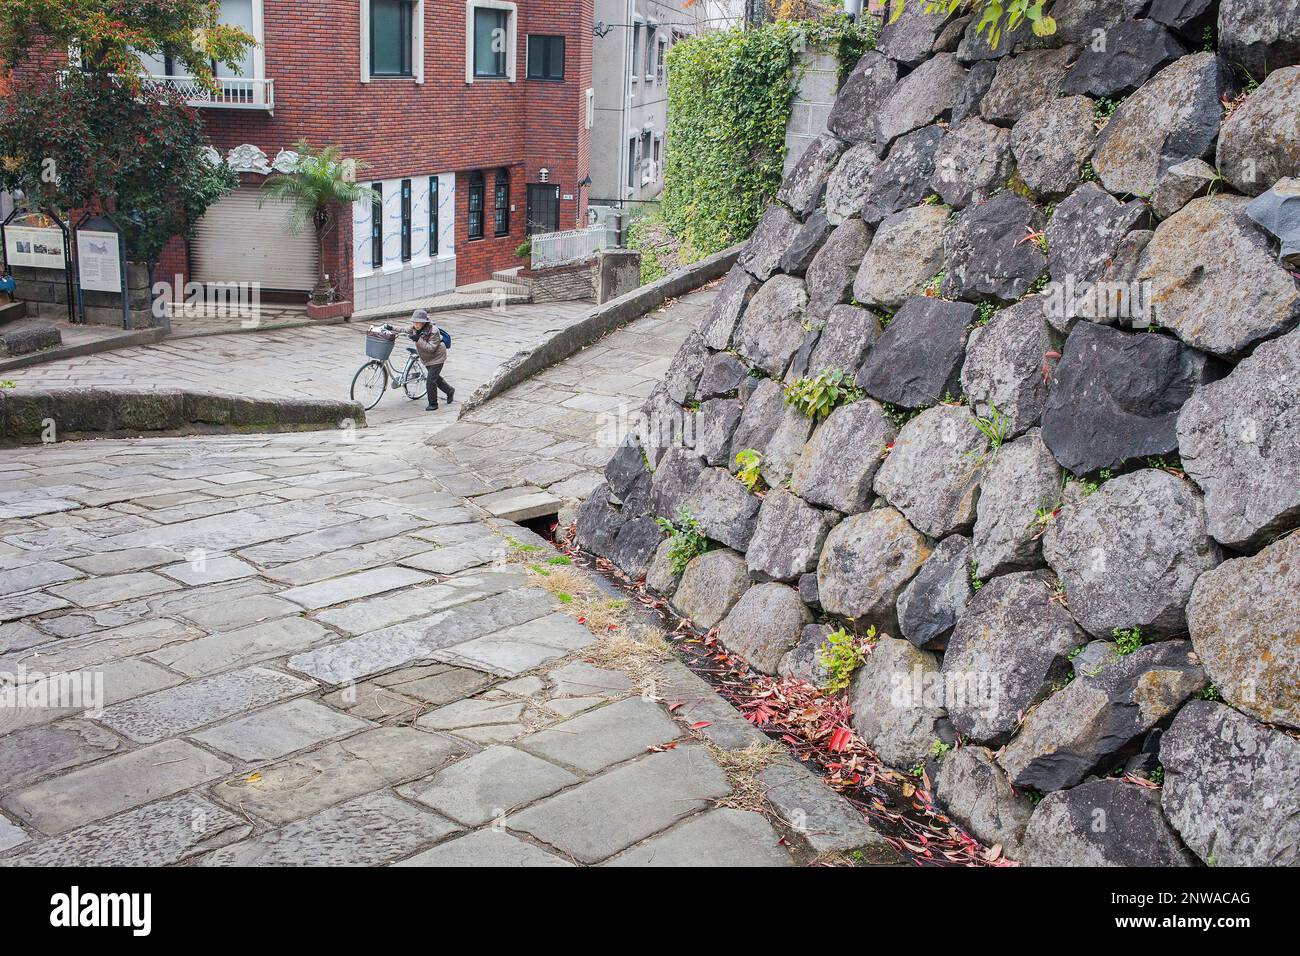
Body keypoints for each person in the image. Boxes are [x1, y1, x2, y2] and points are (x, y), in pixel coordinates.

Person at [409, 309, 453, 411]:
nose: (416, 324)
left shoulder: (434, 331)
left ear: (424, 322)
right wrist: (390, 328)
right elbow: (404, 330)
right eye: (414, 322)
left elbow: (431, 348)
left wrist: (418, 340)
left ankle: (433, 404)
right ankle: (450, 391)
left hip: (437, 357)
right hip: (427, 359)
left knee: (430, 380)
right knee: (435, 378)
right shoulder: (415, 327)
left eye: (418, 322)